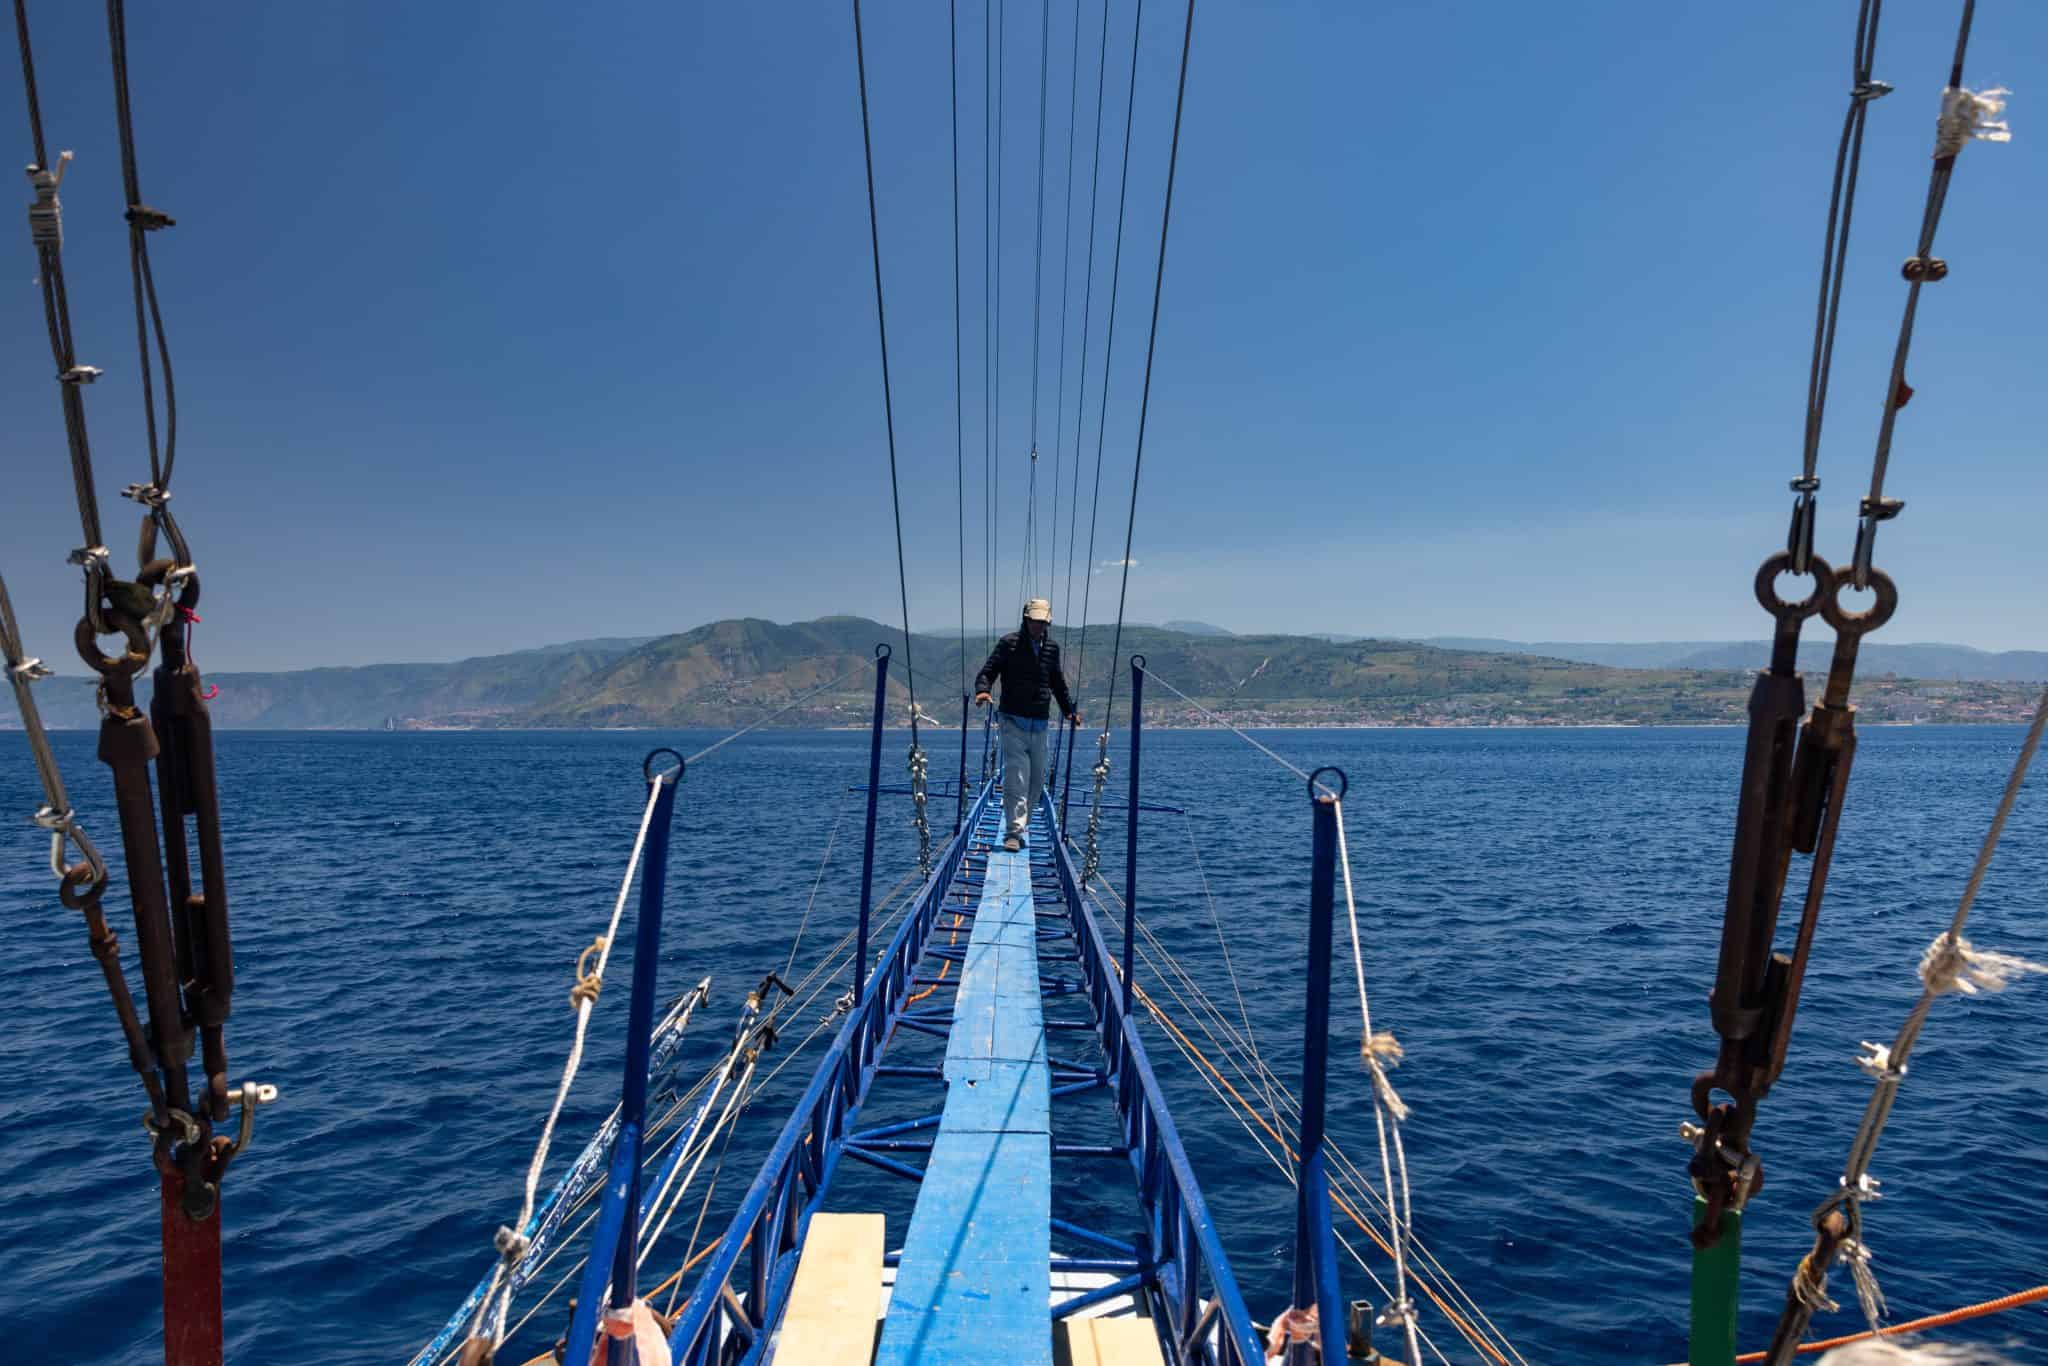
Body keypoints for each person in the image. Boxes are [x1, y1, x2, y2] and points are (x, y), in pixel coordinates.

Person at [974, 598, 1081, 851]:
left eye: (1042, 622)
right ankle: (1013, 832)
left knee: (1036, 780)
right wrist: (982, 690)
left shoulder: (1051, 649)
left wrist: (1068, 711)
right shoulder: (1009, 644)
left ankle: (1023, 825)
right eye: (1034, 621)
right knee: (1017, 775)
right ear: (1026, 619)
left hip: (1040, 724)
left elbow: (1057, 682)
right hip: (1012, 720)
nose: (1038, 626)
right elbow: (988, 671)